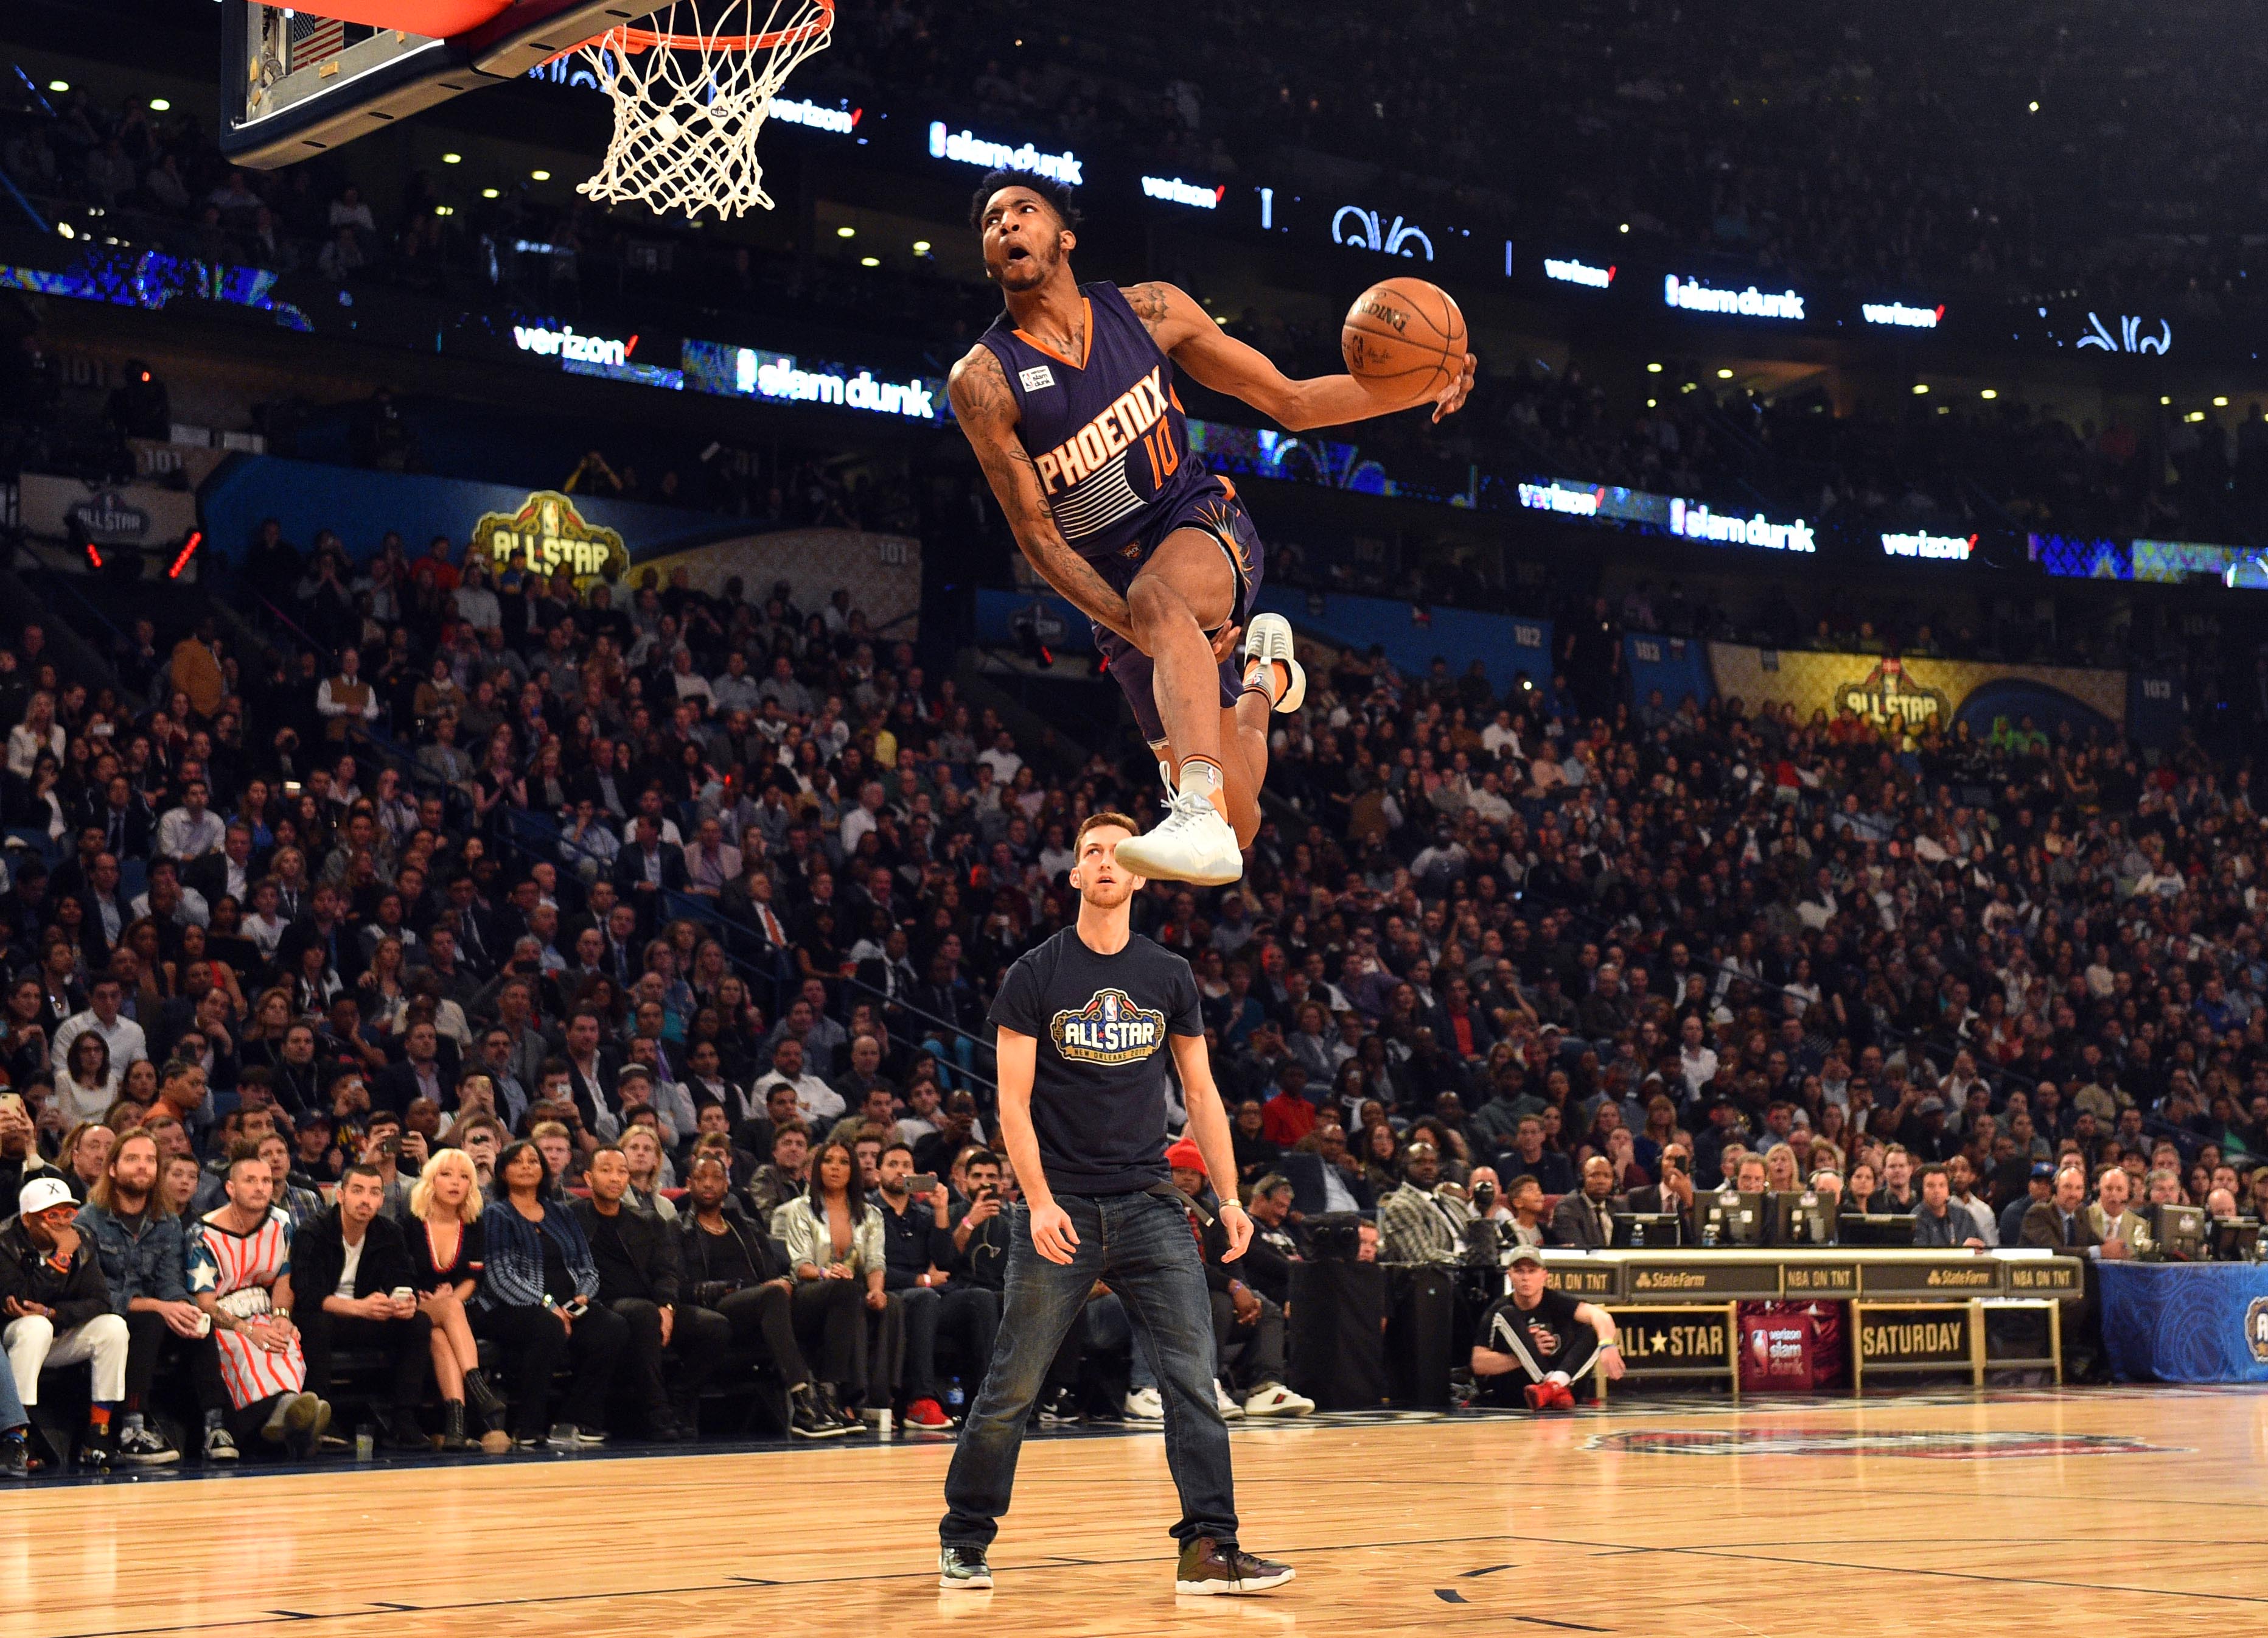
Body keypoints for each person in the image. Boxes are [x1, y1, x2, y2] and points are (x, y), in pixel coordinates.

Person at [951, 173, 1471, 886]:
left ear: (1063, 237)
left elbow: (1288, 401)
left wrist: (1421, 384)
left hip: (1197, 521)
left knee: (1160, 601)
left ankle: (1189, 812)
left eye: (1024, 211)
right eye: (991, 220)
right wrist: (1151, 638)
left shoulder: (1150, 310)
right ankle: (1266, 675)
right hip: (1119, 595)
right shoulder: (982, 380)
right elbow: (1039, 540)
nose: (1006, 224)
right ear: (986, 253)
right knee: (1245, 823)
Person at [939, 811, 1293, 1596]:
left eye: (1118, 854)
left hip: (1148, 1204)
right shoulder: (1034, 974)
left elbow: (1200, 1092)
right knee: (1013, 1385)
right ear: (1075, 876)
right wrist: (1035, 1202)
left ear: (1139, 875)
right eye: (1090, 852)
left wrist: (1230, 1198)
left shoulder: (1167, 973)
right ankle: (964, 1537)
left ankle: (1209, 1547)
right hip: (1059, 1208)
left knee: (1191, 1380)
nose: (1104, 862)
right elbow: (1013, 1106)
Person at [675, 1152, 840, 1440]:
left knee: (840, 1290)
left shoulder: (747, 1226)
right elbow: (684, 1287)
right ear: (688, 1184)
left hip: (764, 1304)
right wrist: (740, 1287)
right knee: (771, 1296)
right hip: (719, 1305)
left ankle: (832, 1395)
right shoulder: (679, 1228)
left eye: (716, 1177)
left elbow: (775, 1270)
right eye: (701, 1178)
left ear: (727, 1185)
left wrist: (787, 1282)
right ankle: (803, 1402)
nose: (709, 1184)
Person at [475, 1139, 627, 1447]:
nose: (527, 1167)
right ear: (503, 1172)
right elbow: (501, 1276)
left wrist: (582, 1296)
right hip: (512, 1306)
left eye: (533, 1161)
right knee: (548, 1328)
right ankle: (528, 1425)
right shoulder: (497, 1215)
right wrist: (549, 1305)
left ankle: (577, 1418)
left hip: (567, 1304)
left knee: (612, 1326)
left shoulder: (562, 1213)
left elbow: (587, 1267)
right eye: (518, 1162)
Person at [186, 1143, 329, 1459]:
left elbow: (283, 1276)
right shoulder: (203, 1234)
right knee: (246, 1350)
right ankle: (285, 1418)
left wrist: (281, 1316)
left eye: (265, 1181)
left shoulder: (281, 1223)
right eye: (251, 1181)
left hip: (264, 1309)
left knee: (286, 1342)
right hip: (224, 1318)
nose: (261, 1187)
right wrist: (248, 1331)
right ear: (231, 1188)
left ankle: (288, 1414)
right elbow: (205, 1303)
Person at [76, 1129, 199, 1466]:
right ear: (113, 1169)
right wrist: (161, 1306)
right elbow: (98, 1294)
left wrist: (185, 1308)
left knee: (200, 1325)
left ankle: (218, 1426)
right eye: (132, 1159)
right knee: (148, 1319)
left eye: (150, 1160)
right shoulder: (88, 1221)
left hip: (152, 1316)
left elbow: (170, 1283)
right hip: (103, 1319)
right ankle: (132, 1429)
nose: (143, 1167)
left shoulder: (168, 1222)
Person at [292, 1164, 430, 1450]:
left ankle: (404, 1419)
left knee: (419, 1323)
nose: (365, 1200)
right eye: (357, 1191)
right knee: (315, 1322)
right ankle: (322, 1415)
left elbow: (403, 1278)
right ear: (340, 1196)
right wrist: (358, 1307)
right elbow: (308, 1296)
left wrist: (406, 1301)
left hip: (367, 1315)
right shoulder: (314, 1231)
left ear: (381, 1200)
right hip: (328, 1315)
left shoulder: (389, 1232)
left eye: (374, 1193)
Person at [0, 1174, 131, 1468]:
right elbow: (20, 1302)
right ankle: (17, 1437)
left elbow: (100, 1302)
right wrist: (60, 1260)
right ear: (28, 1220)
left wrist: (54, 1313)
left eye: (69, 1213)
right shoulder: (4, 1242)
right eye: (52, 1215)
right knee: (35, 1327)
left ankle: (98, 1433)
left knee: (113, 1327)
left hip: (56, 1331)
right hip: (13, 1340)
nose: (63, 1222)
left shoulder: (81, 1240)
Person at [573, 1144, 697, 1441]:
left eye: (622, 1171)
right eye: (606, 1170)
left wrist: (667, 1306)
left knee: (715, 1328)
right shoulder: (572, 1218)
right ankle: (658, 1414)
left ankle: (678, 1403)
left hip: (650, 1303)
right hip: (600, 1302)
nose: (615, 1178)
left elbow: (668, 1271)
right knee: (643, 1314)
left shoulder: (648, 1221)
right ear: (589, 1179)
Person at [772, 1139, 898, 1427]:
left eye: (844, 1162)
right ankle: (832, 1394)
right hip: (807, 1294)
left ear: (853, 1170)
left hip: (849, 1293)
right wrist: (825, 1273)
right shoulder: (800, 1210)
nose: (836, 1168)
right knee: (845, 1291)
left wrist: (877, 1291)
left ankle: (876, 1401)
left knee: (892, 1303)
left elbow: (876, 1261)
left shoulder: (871, 1214)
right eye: (829, 1161)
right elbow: (799, 1264)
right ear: (817, 1169)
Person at [875, 1140, 1000, 1430]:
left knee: (980, 1298)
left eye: (906, 1166)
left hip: (927, 1296)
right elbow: (869, 1266)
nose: (900, 1171)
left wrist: (942, 1210)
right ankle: (920, 1400)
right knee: (925, 1297)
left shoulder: (924, 1214)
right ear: (878, 1171)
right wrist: (919, 1280)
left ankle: (987, 1399)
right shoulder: (868, 1211)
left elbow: (945, 1262)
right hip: (893, 1294)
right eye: (892, 1164)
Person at [405, 1147, 506, 1453]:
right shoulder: (411, 1222)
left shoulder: (474, 1224)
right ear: (431, 1180)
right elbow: (400, 1271)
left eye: (464, 1177)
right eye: (446, 1175)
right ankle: (479, 1390)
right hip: (416, 1305)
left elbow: (473, 1279)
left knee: (439, 1334)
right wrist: (421, 1295)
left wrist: (452, 1299)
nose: (455, 1183)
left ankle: (455, 1426)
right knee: (440, 1316)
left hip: (456, 1308)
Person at [1471, 1244, 1625, 1410]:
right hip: (1522, 1393)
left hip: (1566, 1393)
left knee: (1595, 1328)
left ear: (1544, 1276)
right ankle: (1553, 1387)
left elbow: (1600, 1316)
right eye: (1520, 1271)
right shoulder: (1498, 1310)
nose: (1525, 1277)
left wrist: (1607, 1344)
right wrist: (1526, 1353)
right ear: (1510, 1276)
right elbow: (1478, 1364)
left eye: (1532, 1271)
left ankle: (1552, 1387)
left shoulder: (1556, 1300)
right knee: (1507, 1314)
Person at [1376, 1141, 1475, 1262]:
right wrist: (1470, 1261)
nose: (1428, 1167)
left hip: (1474, 1273)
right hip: (1439, 1277)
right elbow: (1423, 1258)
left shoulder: (1455, 1204)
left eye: (1433, 1162)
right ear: (1405, 1168)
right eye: (1419, 1162)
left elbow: (1481, 1244)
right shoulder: (1401, 1207)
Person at [1910, 1165, 1986, 1250]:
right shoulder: (1915, 1219)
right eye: (1931, 1186)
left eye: (1942, 1185)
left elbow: (1980, 1246)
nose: (1937, 1191)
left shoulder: (1963, 1216)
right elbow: (1922, 1257)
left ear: (1949, 1189)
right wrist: (1963, 1252)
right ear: (1922, 1190)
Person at [1551, 1155, 1618, 1248]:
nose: (1601, 1181)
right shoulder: (1567, 1207)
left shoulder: (1618, 1206)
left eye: (1607, 1176)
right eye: (1594, 1175)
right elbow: (1576, 1248)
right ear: (1582, 1179)